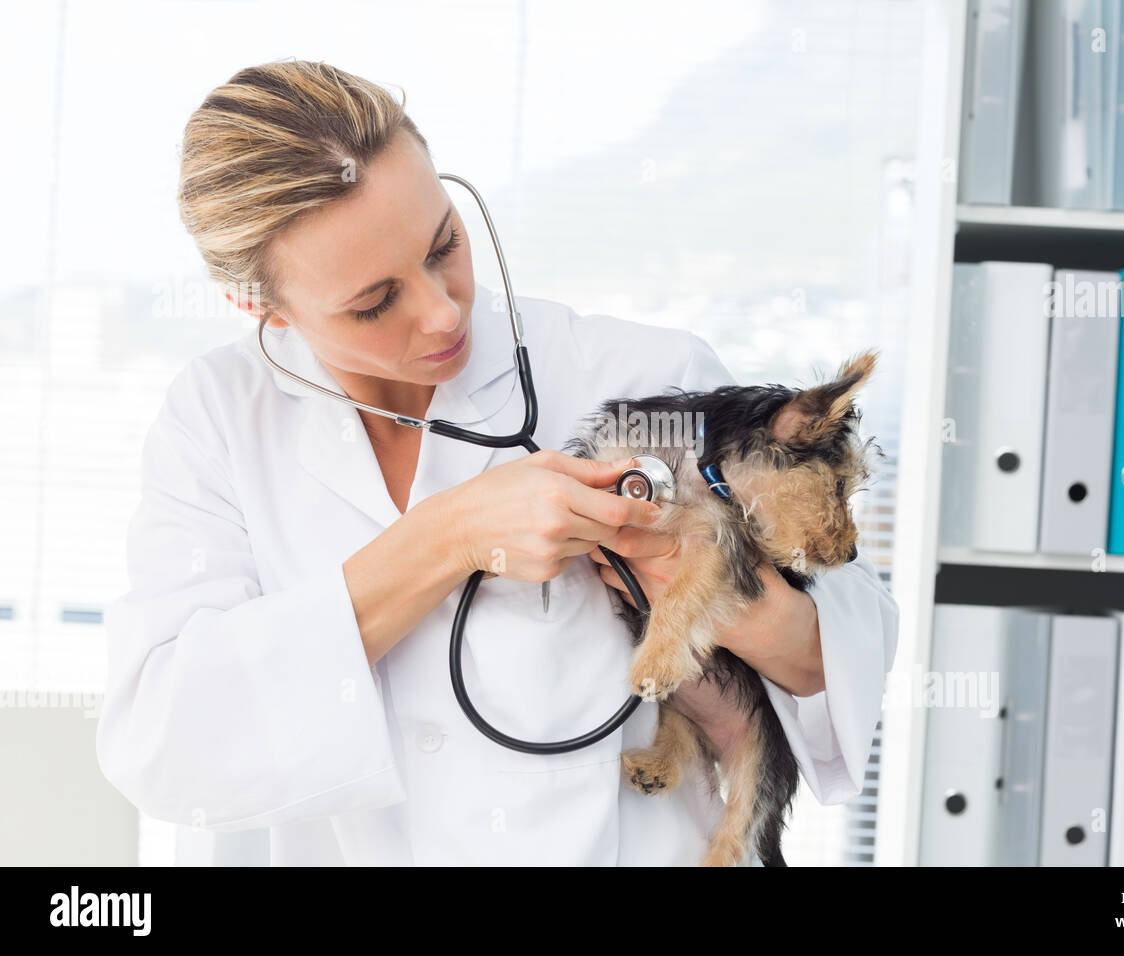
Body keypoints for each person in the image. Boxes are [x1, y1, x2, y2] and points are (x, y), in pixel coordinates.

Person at [96, 58, 900, 866]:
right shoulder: (219, 418)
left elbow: (843, 655)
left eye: (444, 243)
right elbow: (167, 749)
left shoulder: (638, 376)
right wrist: (445, 538)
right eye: (375, 302)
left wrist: (708, 585)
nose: (443, 311)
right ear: (261, 305)